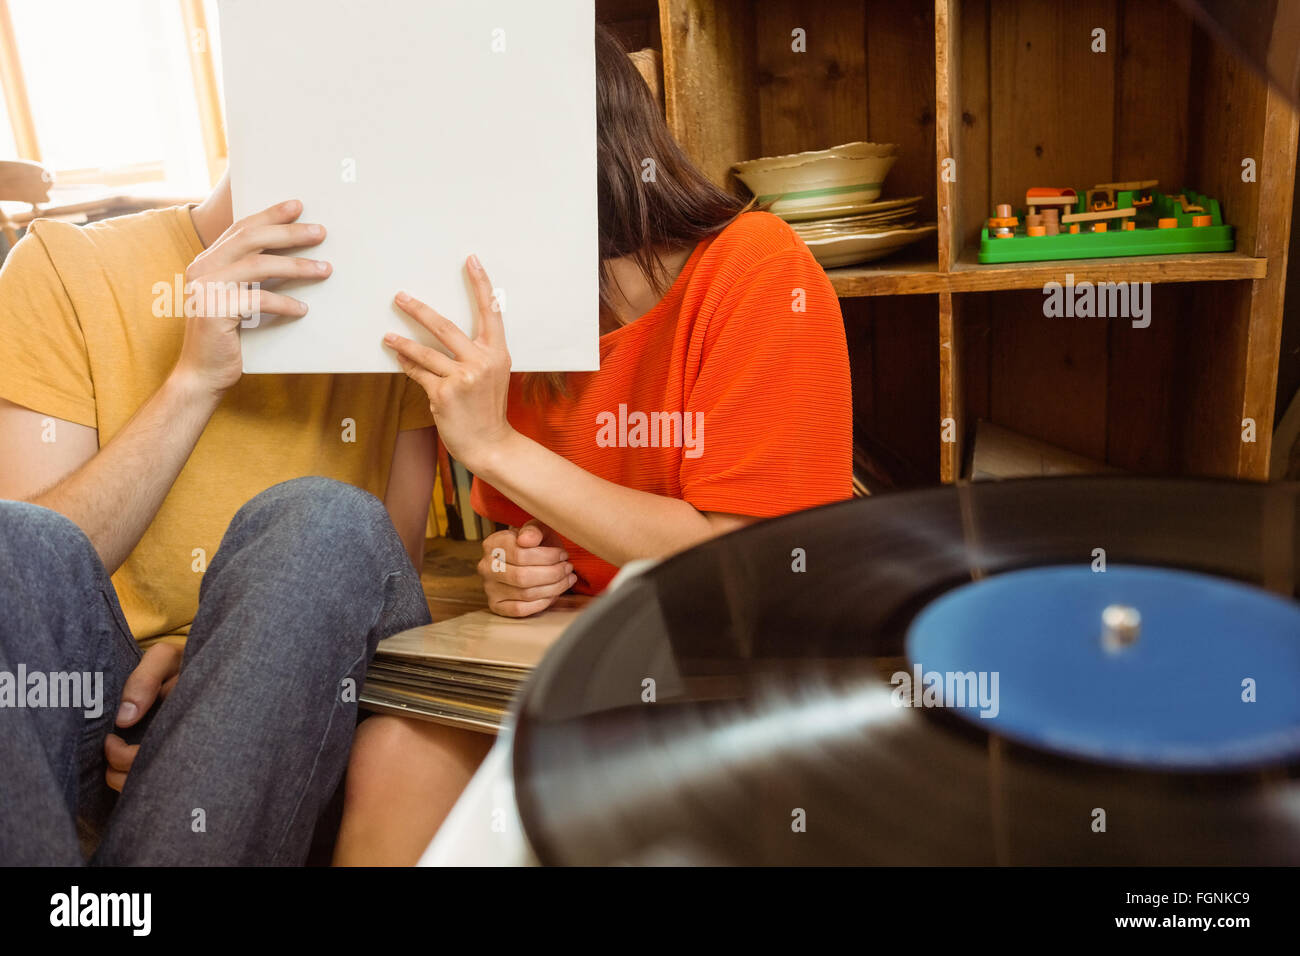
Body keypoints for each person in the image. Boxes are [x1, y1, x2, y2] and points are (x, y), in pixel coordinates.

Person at [333, 26, 853, 865]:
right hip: (573, 659)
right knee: (394, 751)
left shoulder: (759, 269)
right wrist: (513, 568)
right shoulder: (527, 314)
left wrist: (497, 447)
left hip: (735, 665)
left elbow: (742, 562)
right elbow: (536, 536)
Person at [0, 176, 437, 864]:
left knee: (326, 519)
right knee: (15, 541)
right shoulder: (65, 264)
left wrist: (226, 667)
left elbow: (385, 590)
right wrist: (194, 379)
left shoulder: (403, 305)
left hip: (302, 682)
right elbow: (32, 581)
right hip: (106, 699)